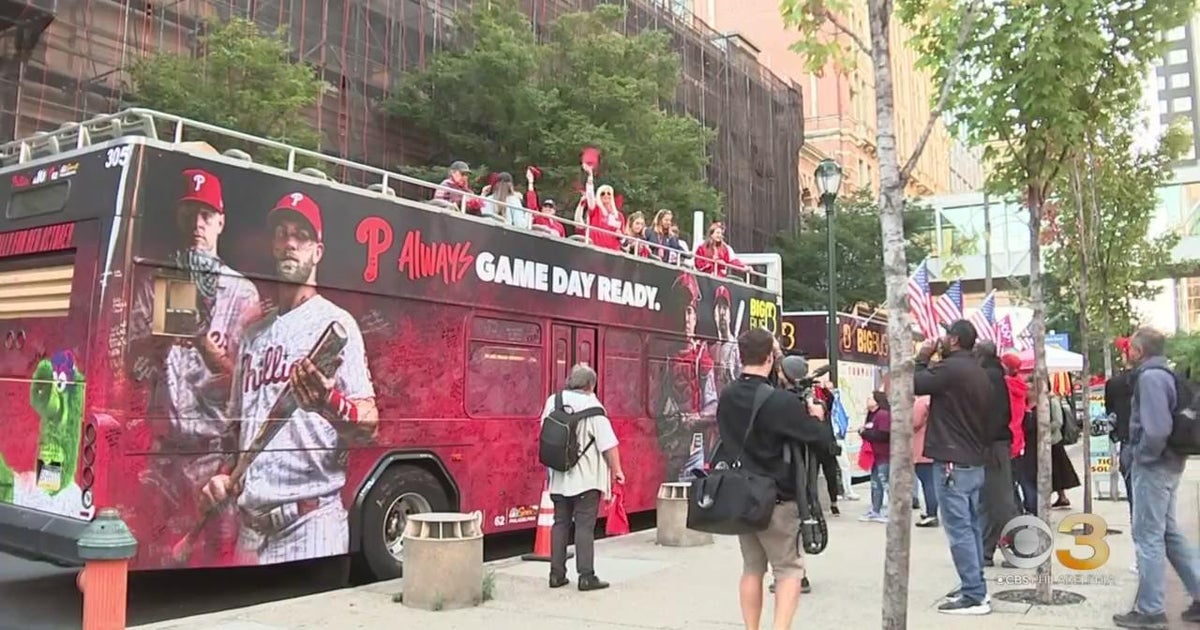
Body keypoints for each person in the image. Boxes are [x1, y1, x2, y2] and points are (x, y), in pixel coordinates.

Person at [201, 192, 379, 565]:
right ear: (273, 246)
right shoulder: (253, 335)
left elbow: (369, 425)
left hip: (309, 523)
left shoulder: (336, 323)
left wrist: (328, 403)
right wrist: (225, 475)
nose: (290, 243)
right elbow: (238, 428)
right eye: (282, 233)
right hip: (251, 530)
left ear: (317, 251)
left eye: (301, 235)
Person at [715, 328, 829, 630]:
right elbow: (820, 440)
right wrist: (816, 416)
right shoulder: (779, 401)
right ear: (770, 357)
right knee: (788, 569)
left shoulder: (727, 396)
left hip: (742, 496)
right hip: (777, 497)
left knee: (752, 568)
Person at [1114, 328, 1200, 629]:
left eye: (1130, 348)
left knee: (1148, 536)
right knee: (1168, 533)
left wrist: (1142, 456)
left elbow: (1157, 429)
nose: (1127, 353)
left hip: (1155, 466)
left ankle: (1151, 610)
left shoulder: (1150, 378)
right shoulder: (1164, 374)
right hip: (1168, 462)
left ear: (1138, 351)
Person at [914, 319, 993, 616]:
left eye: (947, 335)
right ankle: (975, 585)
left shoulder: (951, 369)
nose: (942, 339)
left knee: (960, 530)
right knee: (970, 527)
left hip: (952, 461)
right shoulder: (978, 371)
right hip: (971, 459)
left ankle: (974, 594)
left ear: (955, 340)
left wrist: (922, 356)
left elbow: (913, 383)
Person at [541, 363, 625, 592]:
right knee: (584, 527)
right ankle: (586, 576)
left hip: (558, 476)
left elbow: (544, 433)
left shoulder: (553, 401)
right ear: (591, 385)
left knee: (560, 524)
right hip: (586, 480)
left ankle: (556, 575)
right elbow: (609, 445)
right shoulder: (594, 407)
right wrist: (617, 471)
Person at [974, 341, 1019, 568]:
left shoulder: (989, 378)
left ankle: (1020, 548)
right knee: (989, 502)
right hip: (993, 444)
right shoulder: (995, 375)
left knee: (1000, 502)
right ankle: (984, 551)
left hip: (993, 446)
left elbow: (994, 415)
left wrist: (986, 442)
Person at [858, 391, 891, 524]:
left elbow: (884, 435)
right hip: (875, 455)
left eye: (871, 398)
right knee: (875, 483)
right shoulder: (872, 415)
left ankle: (892, 512)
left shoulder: (883, 414)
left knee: (885, 483)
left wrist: (865, 433)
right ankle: (875, 510)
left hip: (884, 454)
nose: (868, 399)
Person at [913, 395, 939, 527]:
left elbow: (914, 422)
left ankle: (931, 514)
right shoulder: (936, 399)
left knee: (928, 482)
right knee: (932, 481)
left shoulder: (922, 402)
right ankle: (931, 510)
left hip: (922, 447)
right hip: (936, 446)